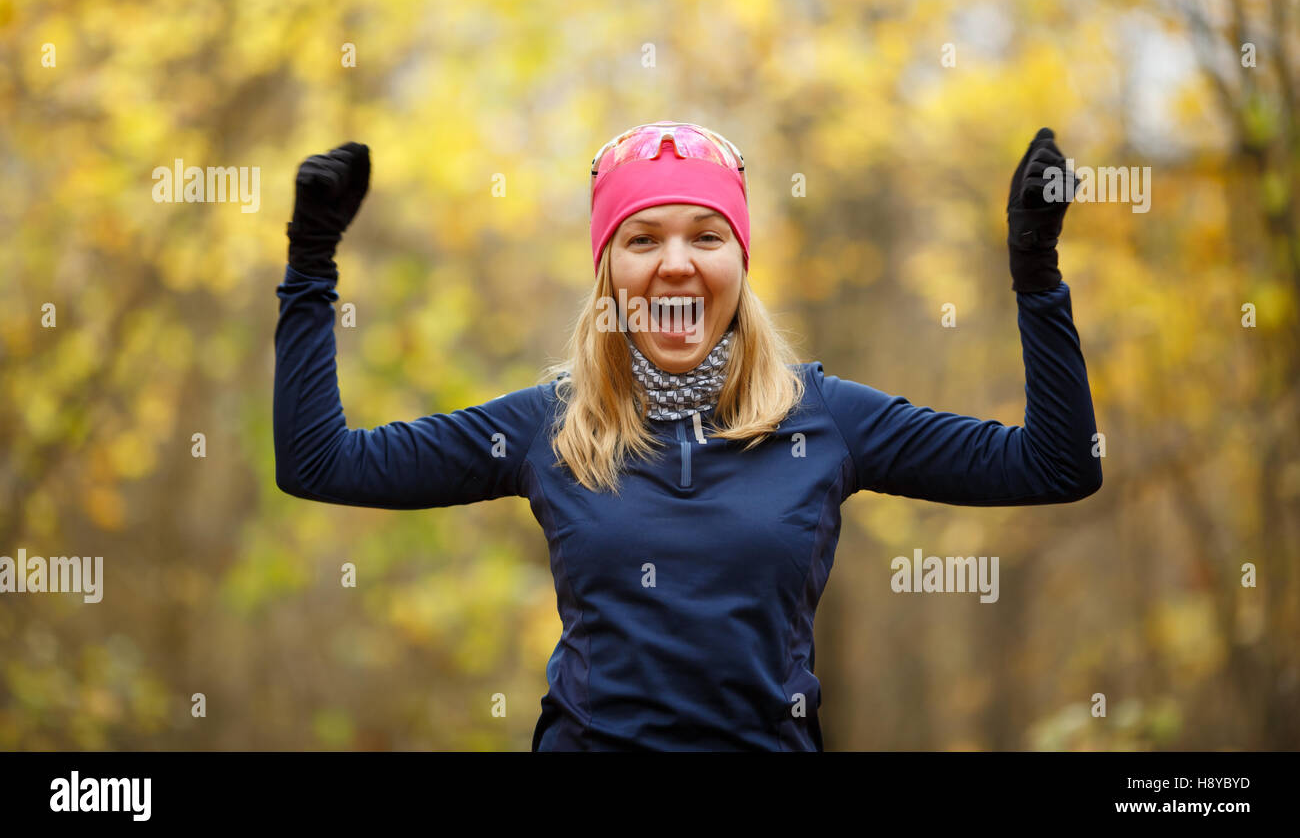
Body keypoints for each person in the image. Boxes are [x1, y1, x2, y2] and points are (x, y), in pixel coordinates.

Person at [274, 121, 1101, 751]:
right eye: (642, 238)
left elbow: (1054, 466)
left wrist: (1037, 275)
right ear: (609, 270)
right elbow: (323, 464)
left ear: (740, 264)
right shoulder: (547, 426)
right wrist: (310, 266)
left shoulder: (825, 418)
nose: (675, 263)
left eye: (706, 236)